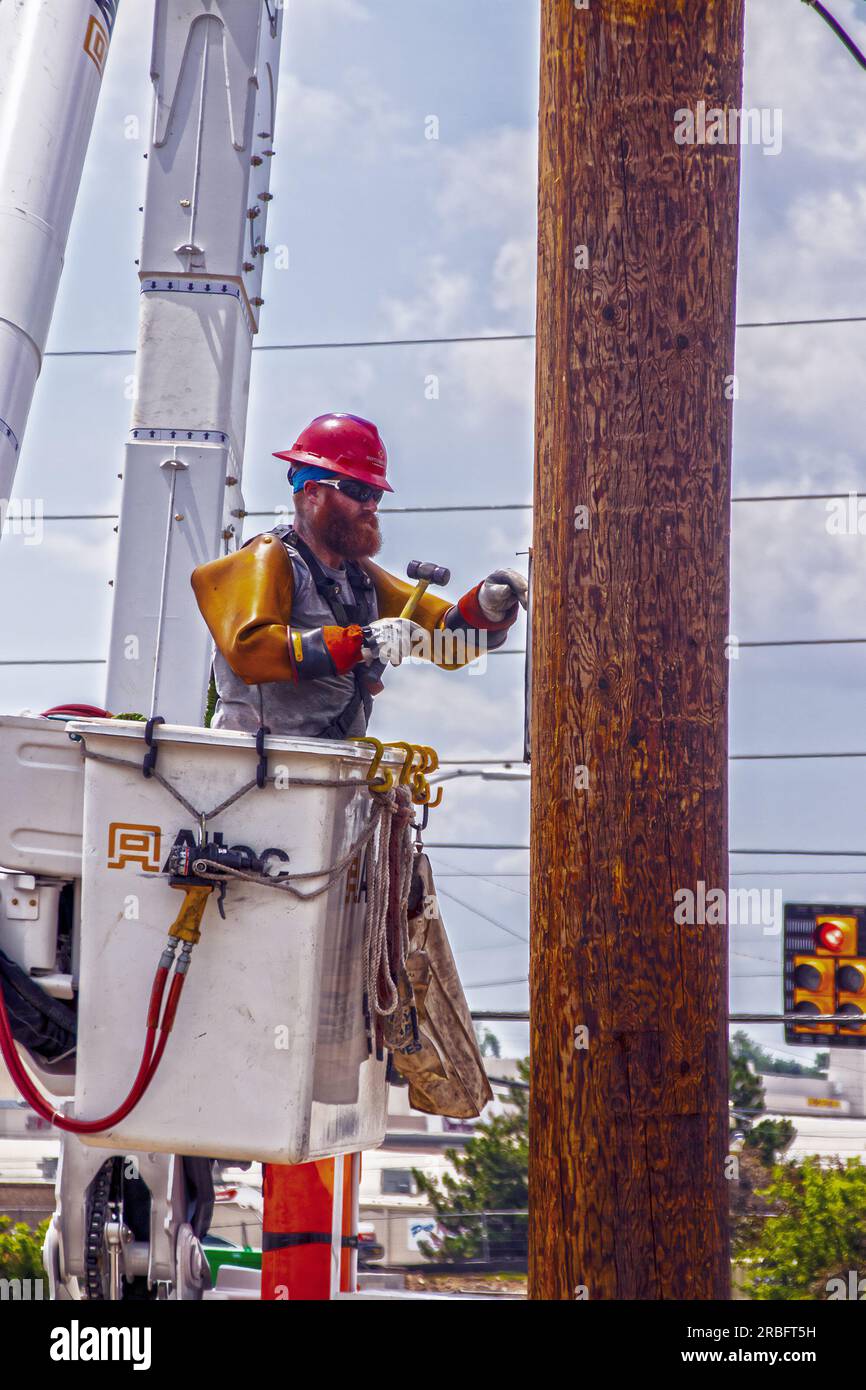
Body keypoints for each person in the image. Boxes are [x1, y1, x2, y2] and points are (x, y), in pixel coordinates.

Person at [191, 412, 527, 738]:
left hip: (326, 769)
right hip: (255, 770)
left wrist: (486, 609)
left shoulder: (359, 578)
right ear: (312, 492)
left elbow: (445, 643)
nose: (371, 506)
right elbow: (251, 651)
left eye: (376, 493)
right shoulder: (267, 558)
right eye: (358, 491)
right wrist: (363, 641)